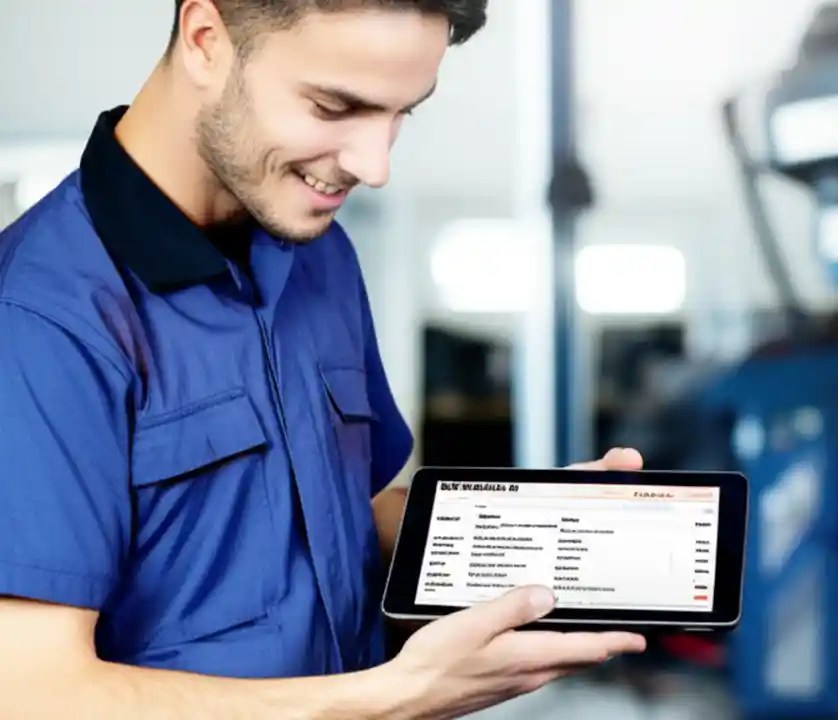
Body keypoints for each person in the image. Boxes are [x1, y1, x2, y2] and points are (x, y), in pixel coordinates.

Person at [0, 1, 648, 717]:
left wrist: (522, 532)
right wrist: (396, 696)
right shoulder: (41, 316)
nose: (375, 166)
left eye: (404, 114)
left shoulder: (316, 254)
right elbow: (31, 689)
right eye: (336, 105)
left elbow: (340, 517)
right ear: (206, 41)